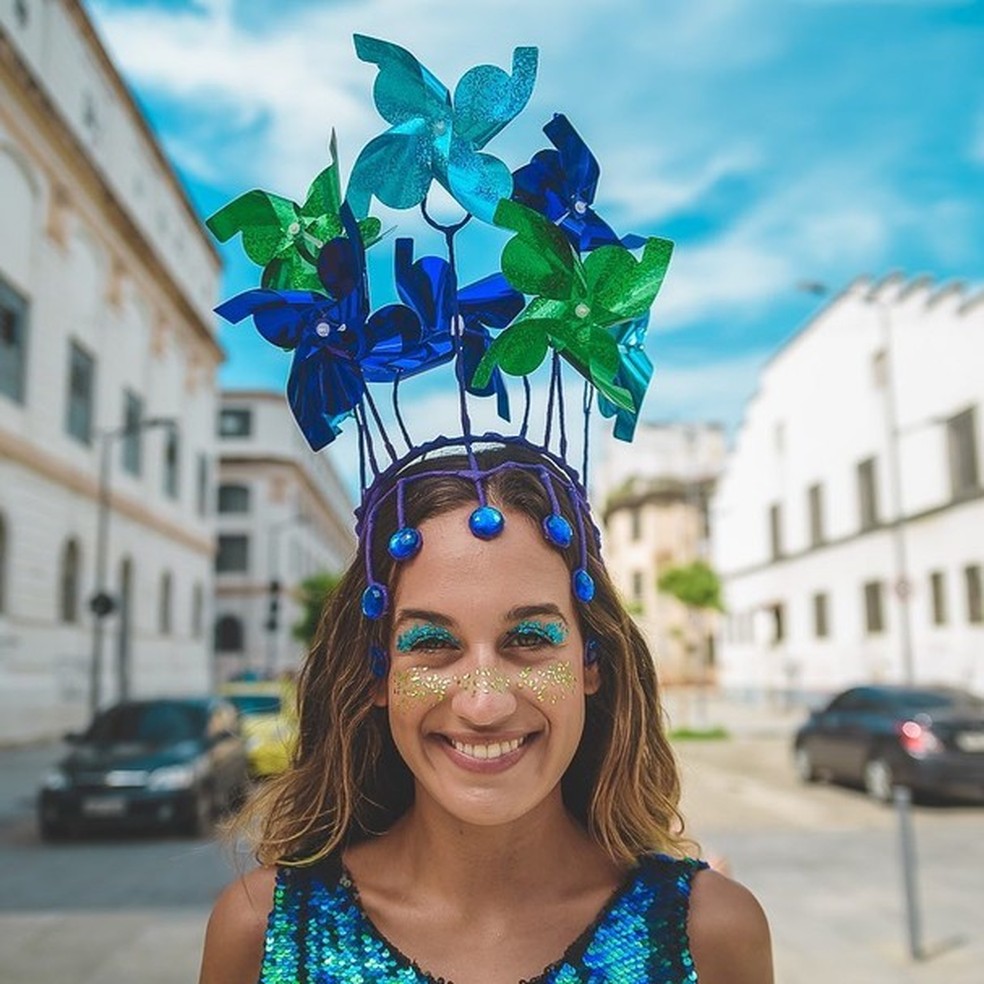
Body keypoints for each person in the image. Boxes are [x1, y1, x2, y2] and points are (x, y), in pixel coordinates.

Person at [198, 34, 772, 984]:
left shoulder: (713, 935)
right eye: (428, 643)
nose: (482, 698)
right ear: (374, 671)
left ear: (592, 662)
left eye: (530, 639)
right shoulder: (261, 931)